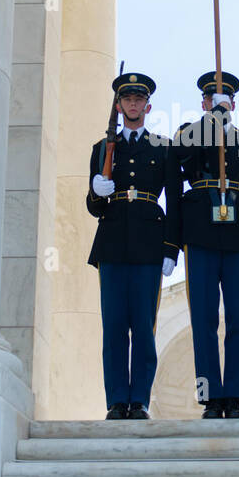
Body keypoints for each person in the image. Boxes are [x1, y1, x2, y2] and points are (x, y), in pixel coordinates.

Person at [166, 72, 239, 418]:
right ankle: (209, 396)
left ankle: (236, 395)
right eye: (212, 100)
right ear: (204, 103)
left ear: (235, 105)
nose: (219, 104)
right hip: (200, 235)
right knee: (203, 319)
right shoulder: (190, 135)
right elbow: (173, 163)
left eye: (224, 101)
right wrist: (209, 124)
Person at [87, 72, 177, 420]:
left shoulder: (162, 147)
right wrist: (98, 190)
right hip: (111, 243)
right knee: (113, 326)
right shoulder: (102, 149)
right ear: (119, 105)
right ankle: (115, 401)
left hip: (149, 245)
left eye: (139, 99)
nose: (134, 103)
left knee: (142, 325)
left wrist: (170, 249)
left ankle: (138, 398)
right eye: (127, 99)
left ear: (148, 105)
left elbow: (174, 203)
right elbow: (94, 208)